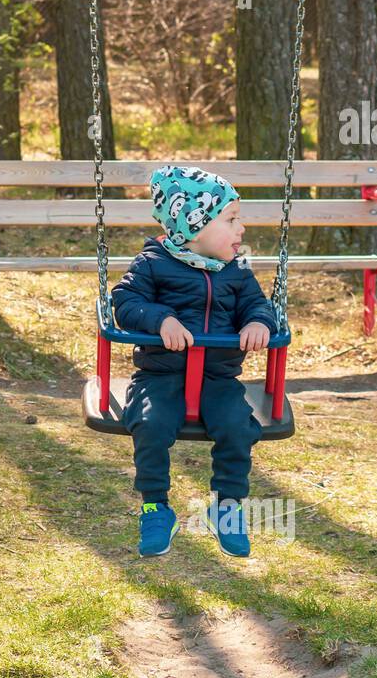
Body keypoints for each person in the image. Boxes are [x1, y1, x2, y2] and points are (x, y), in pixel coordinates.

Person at [110, 166, 278, 559]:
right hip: (161, 374)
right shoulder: (153, 263)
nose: (241, 230)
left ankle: (228, 507)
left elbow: (258, 304)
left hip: (218, 378)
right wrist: (161, 320)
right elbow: (125, 301)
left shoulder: (236, 271)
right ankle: (155, 507)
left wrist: (257, 322)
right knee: (150, 425)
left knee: (238, 428)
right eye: (231, 219)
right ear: (194, 225)